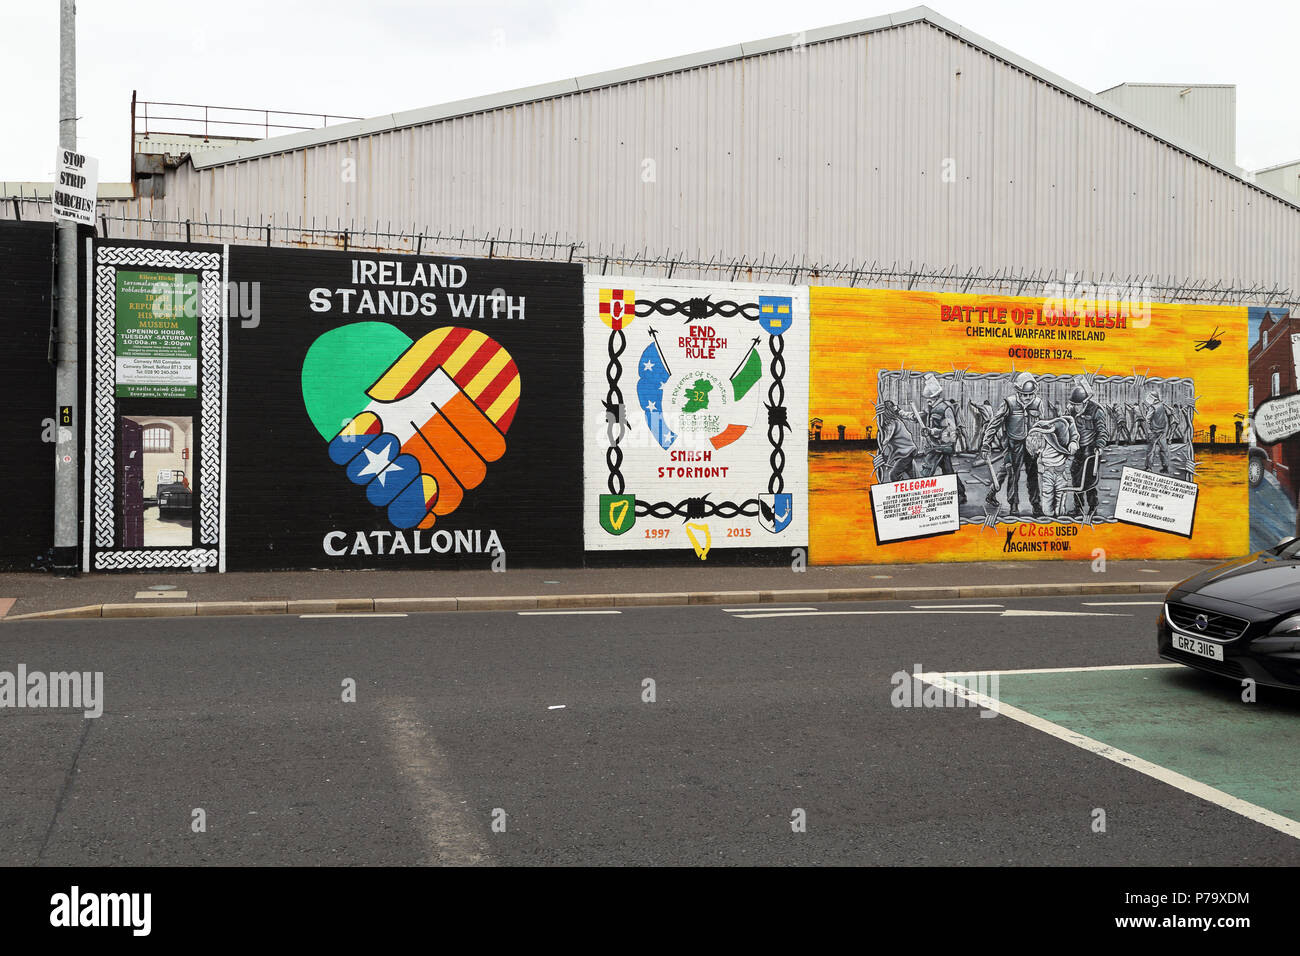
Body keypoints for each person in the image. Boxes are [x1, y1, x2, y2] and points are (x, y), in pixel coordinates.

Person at [982, 371, 1044, 516]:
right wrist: (986, 443)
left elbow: (1042, 426)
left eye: (1031, 394)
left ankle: (1036, 505)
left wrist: (1042, 446)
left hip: (1031, 446)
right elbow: (994, 424)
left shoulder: (1038, 403)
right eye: (1024, 394)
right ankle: (1013, 505)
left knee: (1032, 475)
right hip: (1012, 445)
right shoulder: (1008, 403)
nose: (1028, 398)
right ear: (1018, 392)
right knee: (1012, 474)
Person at [913, 375, 967, 504]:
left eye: (930, 399)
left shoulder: (945, 408)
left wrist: (932, 431)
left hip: (941, 446)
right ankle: (960, 494)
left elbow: (950, 429)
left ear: (936, 397)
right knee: (947, 470)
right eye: (928, 399)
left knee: (927, 470)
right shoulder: (931, 408)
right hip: (936, 445)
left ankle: (920, 498)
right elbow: (917, 417)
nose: (928, 401)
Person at [1066, 385, 1110, 516]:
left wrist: (1100, 446)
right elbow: (1065, 425)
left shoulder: (1096, 410)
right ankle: (1078, 508)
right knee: (1075, 476)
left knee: (1089, 479)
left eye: (1078, 405)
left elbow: (1102, 431)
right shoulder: (1071, 410)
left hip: (1091, 449)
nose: (1075, 407)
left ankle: (1093, 507)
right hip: (1078, 448)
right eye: (1073, 404)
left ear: (1085, 402)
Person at [1025, 416, 1080, 517]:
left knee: (1060, 503)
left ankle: (1060, 514)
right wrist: (1041, 468)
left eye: (1039, 449)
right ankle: (1050, 515)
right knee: (1047, 505)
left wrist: (1073, 443)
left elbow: (1070, 423)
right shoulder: (1039, 443)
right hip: (1047, 474)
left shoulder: (1057, 440)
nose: (1039, 452)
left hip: (1061, 473)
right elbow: (1039, 461)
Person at [875, 401, 919, 481]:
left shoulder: (891, 423)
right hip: (908, 451)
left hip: (905, 453)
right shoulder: (897, 421)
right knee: (913, 475)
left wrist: (880, 446)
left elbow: (886, 439)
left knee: (893, 475)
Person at [1143, 388, 1172, 474]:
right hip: (1162, 431)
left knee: (1151, 450)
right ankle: (1165, 467)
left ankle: (1148, 467)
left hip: (1154, 431)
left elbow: (1147, 419)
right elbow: (1169, 413)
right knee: (1164, 449)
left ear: (1153, 398)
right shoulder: (1162, 405)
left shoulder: (1152, 407)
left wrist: (1148, 429)